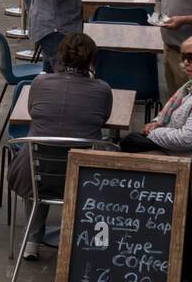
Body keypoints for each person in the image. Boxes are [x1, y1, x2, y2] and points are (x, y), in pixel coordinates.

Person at [8, 33, 113, 260]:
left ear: (60, 56)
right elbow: (103, 119)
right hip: (84, 178)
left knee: (40, 148)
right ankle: (86, 236)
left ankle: (32, 241)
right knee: (85, 143)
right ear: (92, 59)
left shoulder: (39, 82)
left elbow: (32, 111)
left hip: (36, 174)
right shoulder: (102, 89)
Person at [119, 32, 192, 171]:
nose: (185, 62)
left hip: (187, 160)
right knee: (128, 143)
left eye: (191, 58)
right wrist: (156, 122)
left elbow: (186, 139)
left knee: (124, 153)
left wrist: (154, 133)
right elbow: (172, 113)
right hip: (178, 151)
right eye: (184, 56)